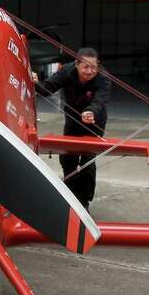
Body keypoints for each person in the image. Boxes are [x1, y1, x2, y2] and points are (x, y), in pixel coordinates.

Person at [36, 48, 111, 211]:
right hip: (72, 119)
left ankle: (84, 201)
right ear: (76, 64)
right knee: (68, 158)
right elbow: (47, 88)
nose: (90, 71)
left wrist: (91, 111)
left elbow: (100, 100)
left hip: (94, 121)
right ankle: (71, 196)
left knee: (87, 161)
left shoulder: (103, 78)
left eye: (93, 67)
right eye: (85, 67)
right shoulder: (67, 71)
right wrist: (34, 81)